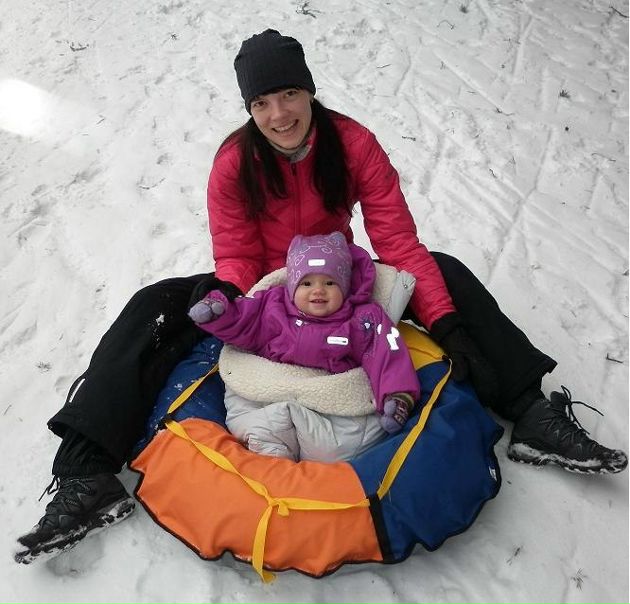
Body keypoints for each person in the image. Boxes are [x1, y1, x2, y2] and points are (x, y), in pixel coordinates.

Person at [14, 28, 627, 565]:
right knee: (155, 304)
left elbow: (397, 243)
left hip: (341, 278)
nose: (278, 114)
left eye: (288, 94)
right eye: (261, 103)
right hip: (266, 285)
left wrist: (446, 325)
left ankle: (529, 411)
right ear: (248, 109)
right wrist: (231, 301)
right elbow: (237, 254)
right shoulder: (234, 163)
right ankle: (86, 474)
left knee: (443, 272)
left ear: (309, 91)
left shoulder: (353, 144)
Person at [189, 231, 419, 441]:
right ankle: (267, 459)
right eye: (306, 283)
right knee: (253, 424)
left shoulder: (362, 319)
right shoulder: (273, 306)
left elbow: (386, 351)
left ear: (345, 286)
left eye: (330, 282)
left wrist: (397, 393)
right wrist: (218, 312)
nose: (318, 290)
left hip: (329, 400)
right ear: (291, 287)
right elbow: (243, 318)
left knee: (344, 441)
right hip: (270, 389)